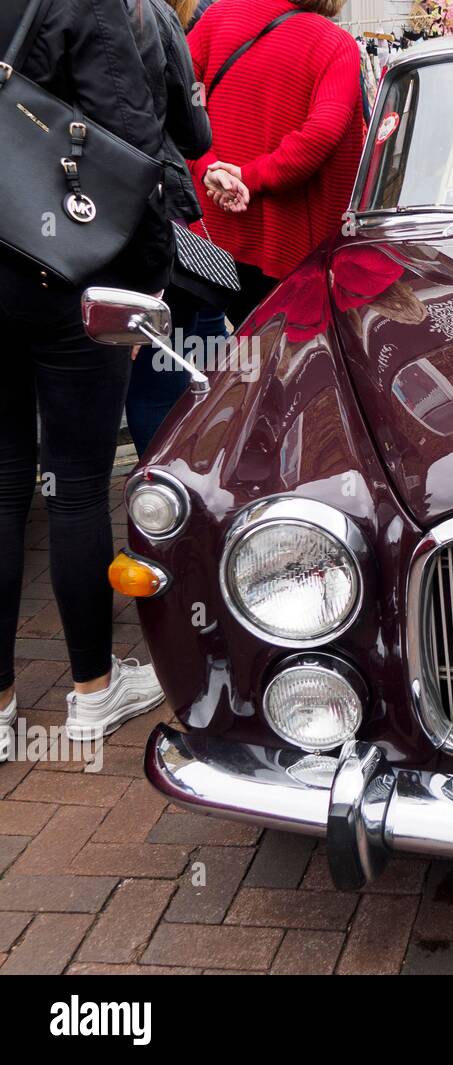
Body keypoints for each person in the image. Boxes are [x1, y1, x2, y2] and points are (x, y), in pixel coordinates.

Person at [0, 0, 170, 756]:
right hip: (68, 269)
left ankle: (0, 707)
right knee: (73, 483)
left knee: (4, 482)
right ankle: (91, 692)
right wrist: (150, 287)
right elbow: (134, 145)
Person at [186, 0, 365, 326]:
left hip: (212, 236)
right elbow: (323, 131)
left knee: (226, 349)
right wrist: (249, 177)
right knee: (289, 356)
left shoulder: (215, 19)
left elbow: (178, 100)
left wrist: (207, 166)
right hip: (289, 246)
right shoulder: (334, 43)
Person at [125, 0, 214, 455]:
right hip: (147, 221)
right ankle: (165, 494)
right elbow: (196, 132)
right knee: (163, 375)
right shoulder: (152, 14)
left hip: (43, 231)